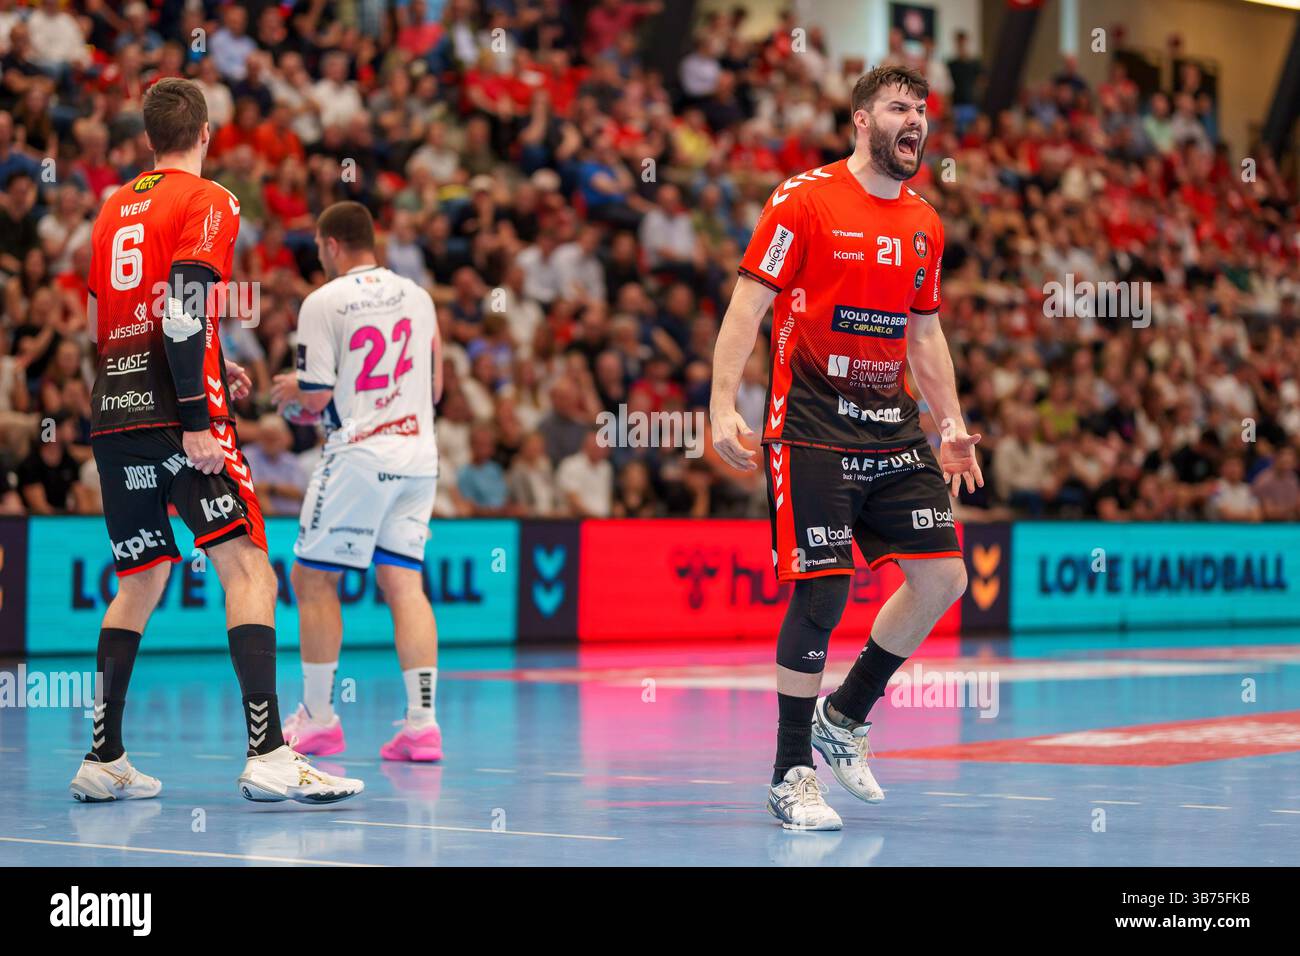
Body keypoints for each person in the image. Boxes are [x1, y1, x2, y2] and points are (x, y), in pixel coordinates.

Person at [68, 78, 361, 804]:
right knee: (249, 569)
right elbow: (181, 305)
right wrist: (198, 416)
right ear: (205, 133)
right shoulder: (210, 201)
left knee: (138, 581)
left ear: (148, 139)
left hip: (116, 405)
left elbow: (124, 319)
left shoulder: (111, 209)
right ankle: (267, 752)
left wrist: (204, 351)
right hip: (178, 417)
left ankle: (103, 757)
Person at [710, 65, 978, 831]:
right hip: (812, 426)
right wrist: (720, 402)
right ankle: (792, 771)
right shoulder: (804, 199)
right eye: (899, 107)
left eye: (922, 110)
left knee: (942, 578)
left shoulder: (925, 220)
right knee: (824, 593)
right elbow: (748, 304)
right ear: (861, 121)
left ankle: (845, 714)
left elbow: (924, 333)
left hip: (891, 427)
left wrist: (951, 423)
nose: (915, 120)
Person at [270, 201, 444, 763]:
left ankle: (319, 719)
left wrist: (290, 394)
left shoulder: (323, 302)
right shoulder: (419, 296)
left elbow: (316, 398)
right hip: (419, 455)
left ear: (329, 244)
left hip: (360, 456)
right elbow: (437, 388)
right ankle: (422, 726)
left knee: (313, 579)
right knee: (405, 585)